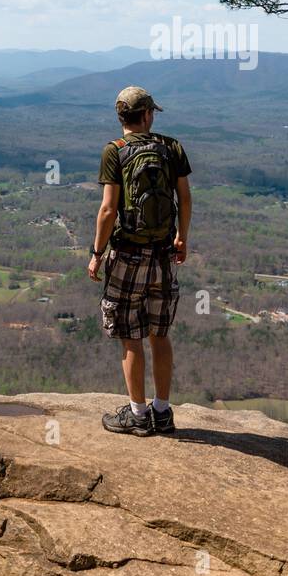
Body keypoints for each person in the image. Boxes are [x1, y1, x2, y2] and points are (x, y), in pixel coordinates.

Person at [89, 86, 191, 436]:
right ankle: (162, 412)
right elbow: (185, 198)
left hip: (128, 256)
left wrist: (96, 253)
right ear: (147, 115)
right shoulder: (171, 147)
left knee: (130, 335)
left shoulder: (114, 152)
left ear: (121, 117)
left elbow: (107, 209)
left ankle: (137, 414)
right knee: (159, 334)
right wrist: (182, 237)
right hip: (164, 253)